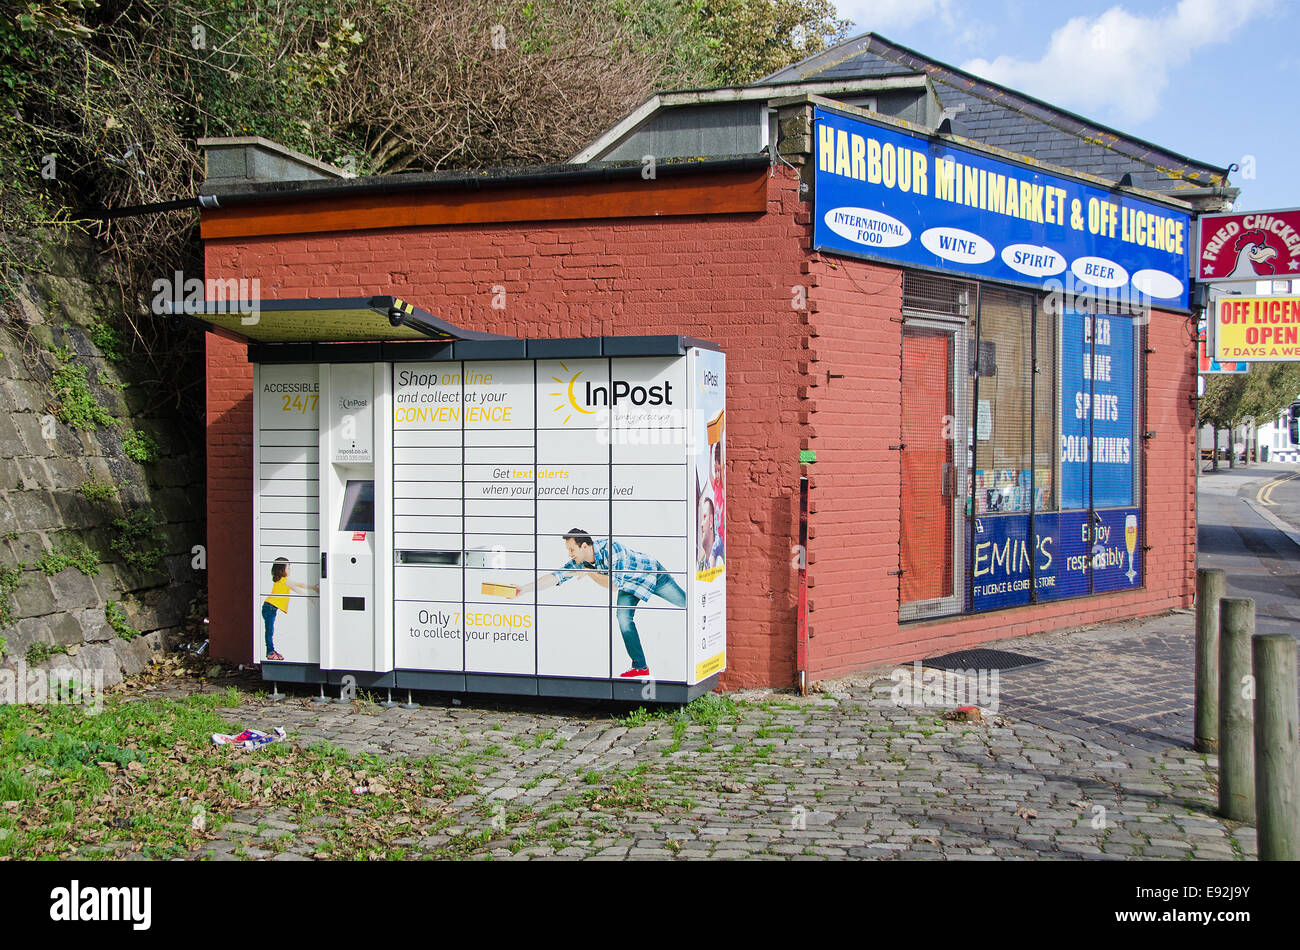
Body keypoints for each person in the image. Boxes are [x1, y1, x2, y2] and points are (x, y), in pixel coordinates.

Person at [509, 529, 685, 678]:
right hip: (629, 586)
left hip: (651, 574)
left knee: (685, 603)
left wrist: (588, 573)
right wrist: (524, 589)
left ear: (584, 546)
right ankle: (640, 667)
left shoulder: (611, 548)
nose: (570, 555)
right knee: (623, 617)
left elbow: (614, 585)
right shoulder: (581, 561)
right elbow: (556, 576)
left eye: (572, 550)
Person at [262, 557, 318, 661]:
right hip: (270, 607)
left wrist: (309, 597)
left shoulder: (283, 581)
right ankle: (270, 652)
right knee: (269, 631)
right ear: (282, 570)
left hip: (269, 607)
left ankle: (271, 650)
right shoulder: (285, 580)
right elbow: (300, 584)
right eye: (288, 568)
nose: (290, 570)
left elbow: (296, 589)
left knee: (270, 630)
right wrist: (313, 588)